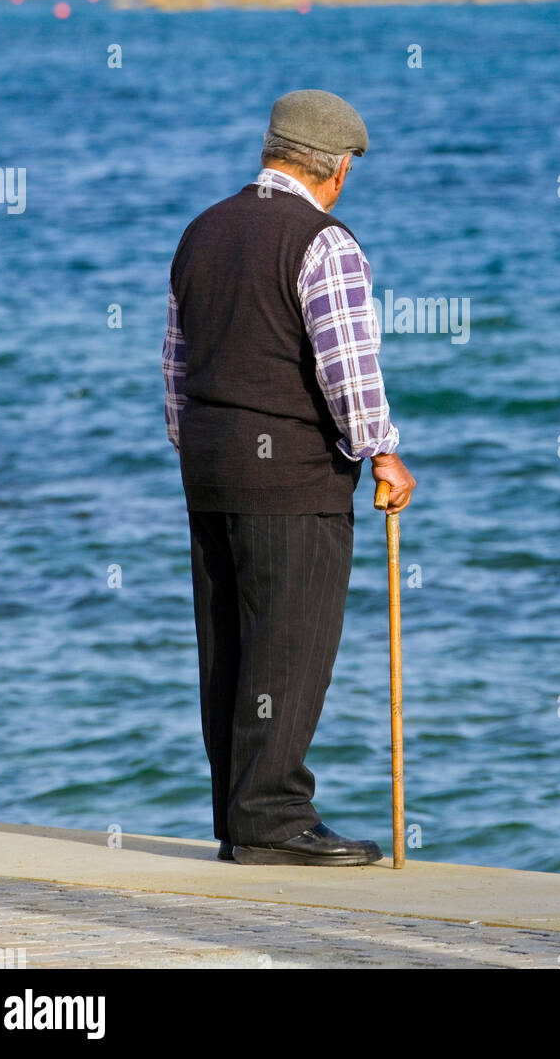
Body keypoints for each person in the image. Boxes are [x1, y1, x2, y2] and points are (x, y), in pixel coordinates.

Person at [163, 89, 416, 866]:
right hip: (293, 476)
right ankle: (273, 818)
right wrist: (381, 449)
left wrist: (193, 446)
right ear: (336, 170)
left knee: (231, 647)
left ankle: (240, 818)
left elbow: (175, 363)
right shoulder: (325, 242)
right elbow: (347, 364)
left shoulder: (202, 232)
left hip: (209, 466)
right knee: (290, 642)